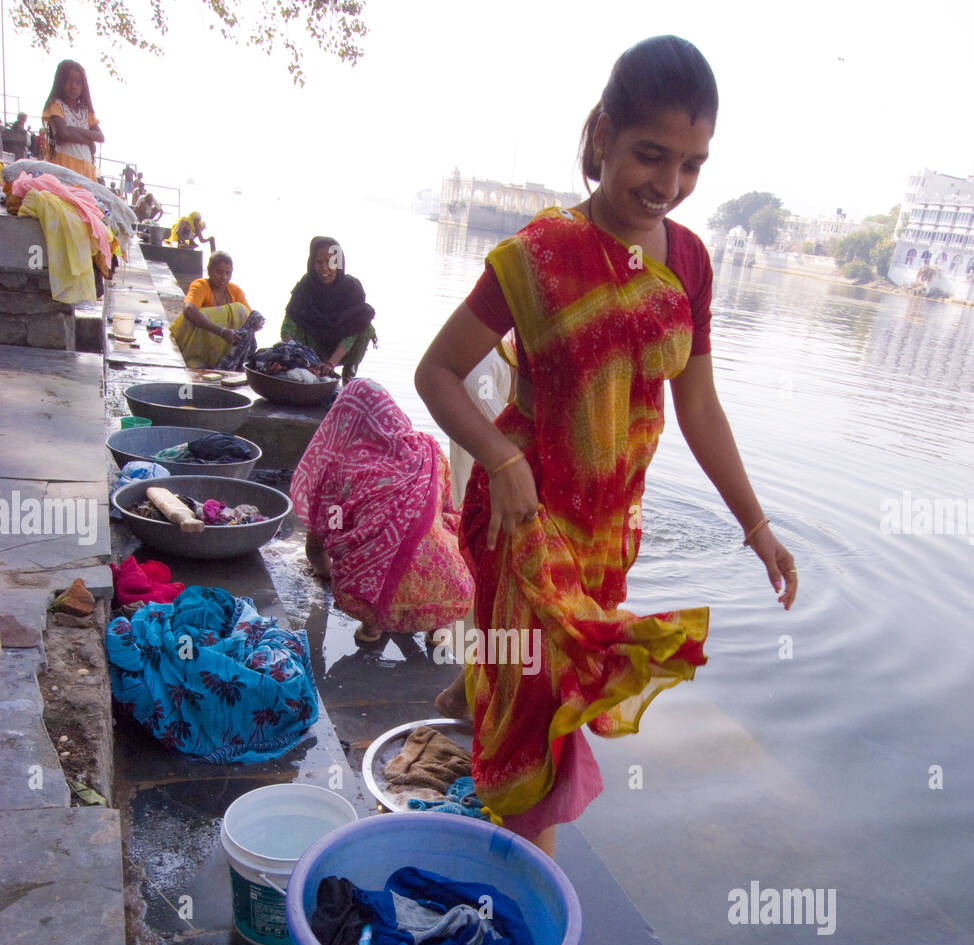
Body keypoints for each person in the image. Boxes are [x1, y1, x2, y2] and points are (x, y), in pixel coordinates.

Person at [415, 34, 797, 856]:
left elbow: (699, 407)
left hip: (606, 528)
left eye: (692, 165)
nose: (669, 185)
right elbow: (437, 373)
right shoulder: (535, 258)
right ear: (602, 138)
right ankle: (537, 917)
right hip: (525, 520)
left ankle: (470, 693)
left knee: (527, 675)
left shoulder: (690, 263)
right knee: (542, 739)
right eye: (650, 156)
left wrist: (756, 526)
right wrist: (502, 459)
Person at [290, 379, 473, 644]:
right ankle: (439, 629)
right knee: (440, 536)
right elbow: (446, 511)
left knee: (369, 566)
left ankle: (372, 628)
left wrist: (325, 573)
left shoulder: (343, 468)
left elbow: (329, 533)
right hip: (447, 585)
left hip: (373, 595)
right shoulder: (429, 449)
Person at [281, 237, 376, 383]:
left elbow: (352, 332)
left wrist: (331, 363)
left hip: (340, 350)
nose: (325, 268)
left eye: (331, 262)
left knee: (365, 326)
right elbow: (288, 328)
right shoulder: (306, 286)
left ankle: (348, 376)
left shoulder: (352, 288)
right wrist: (302, 358)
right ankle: (309, 369)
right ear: (312, 263)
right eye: (319, 262)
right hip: (310, 350)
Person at [169, 251, 257, 369]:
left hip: (222, 347)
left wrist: (255, 324)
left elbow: (249, 317)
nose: (224, 277)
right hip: (199, 344)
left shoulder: (235, 291)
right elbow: (188, 309)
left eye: (228, 273)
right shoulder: (200, 286)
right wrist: (222, 331)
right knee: (237, 310)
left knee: (241, 312)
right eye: (219, 272)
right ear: (209, 271)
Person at [42, 60, 104, 182]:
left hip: (86, 168)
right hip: (63, 164)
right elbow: (63, 133)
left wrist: (73, 129)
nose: (74, 86)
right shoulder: (55, 105)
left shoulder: (85, 111)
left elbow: (100, 136)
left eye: (78, 82)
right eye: (69, 81)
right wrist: (88, 141)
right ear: (61, 81)